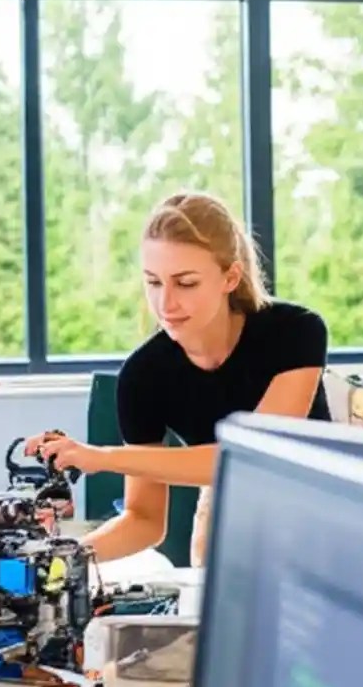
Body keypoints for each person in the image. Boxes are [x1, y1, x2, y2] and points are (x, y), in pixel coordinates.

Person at [27, 192, 331, 566]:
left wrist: (104, 457)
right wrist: (59, 560)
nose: (166, 304)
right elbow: (144, 521)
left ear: (230, 277)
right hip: (226, 513)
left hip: (321, 518)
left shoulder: (295, 333)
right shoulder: (143, 376)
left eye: (185, 283)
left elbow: (255, 460)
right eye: (153, 283)